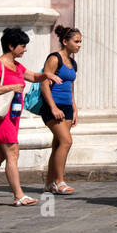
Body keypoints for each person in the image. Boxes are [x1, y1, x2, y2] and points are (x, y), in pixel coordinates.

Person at [0, 28, 59, 207]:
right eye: (22, 46)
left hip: (12, 116)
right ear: (11, 46)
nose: (25, 49)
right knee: (13, 152)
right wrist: (9, 88)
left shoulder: (17, 65)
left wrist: (46, 75)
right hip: (0, 117)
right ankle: (19, 195)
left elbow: (32, 76)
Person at [41, 24, 81, 195]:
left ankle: (50, 183)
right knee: (66, 141)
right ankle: (59, 181)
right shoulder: (54, 58)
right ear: (65, 41)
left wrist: (75, 108)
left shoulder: (72, 62)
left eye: (80, 42)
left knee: (58, 144)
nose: (79, 45)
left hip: (67, 107)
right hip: (53, 106)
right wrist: (53, 107)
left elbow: (69, 86)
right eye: (76, 41)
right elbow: (44, 83)